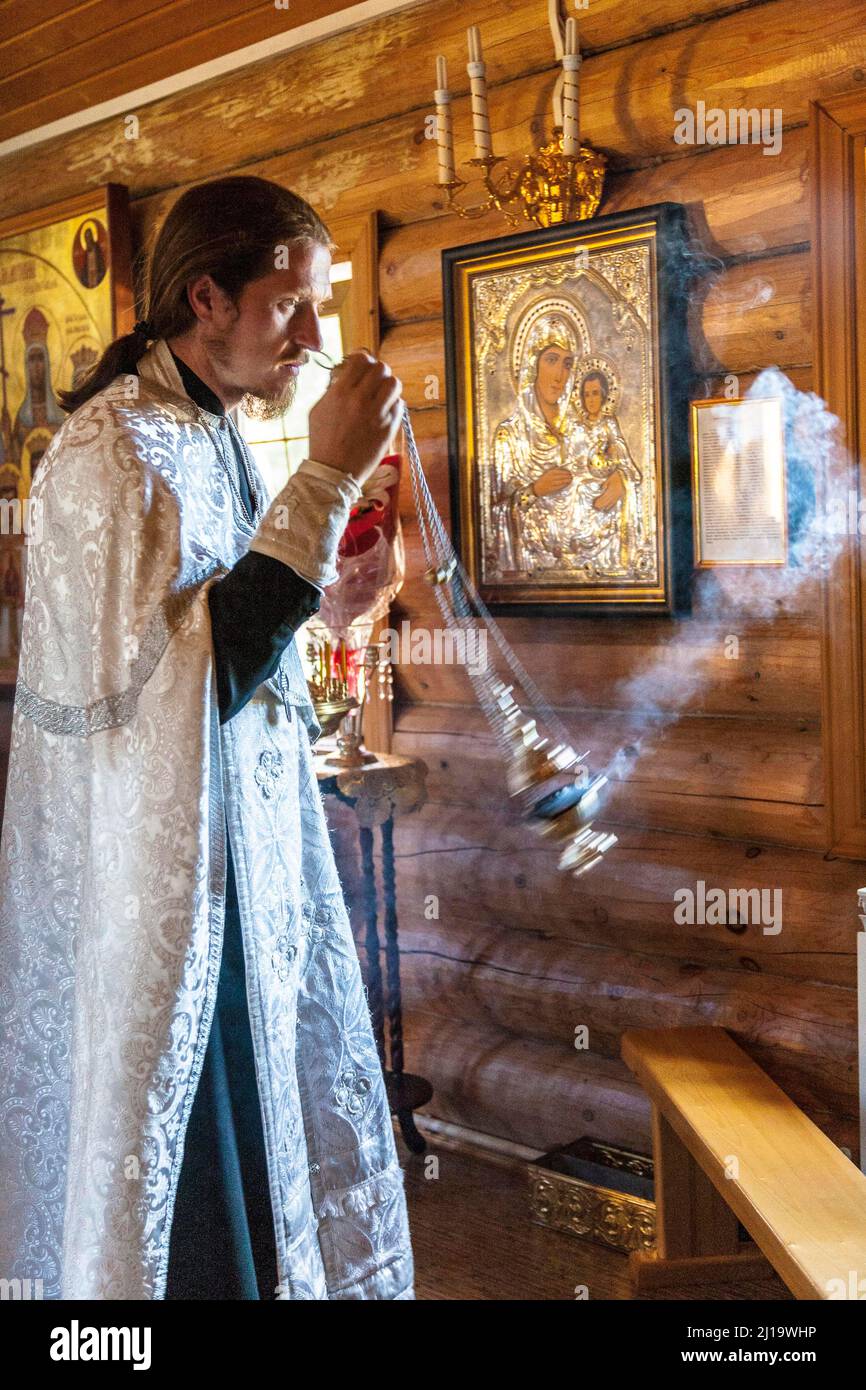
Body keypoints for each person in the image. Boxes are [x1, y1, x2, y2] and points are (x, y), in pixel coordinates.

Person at [0, 175, 415, 1301]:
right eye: (291, 305)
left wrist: (329, 600)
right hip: (164, 889)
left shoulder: (206, 427)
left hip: (242, 859)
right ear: (206, 297)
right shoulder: (110, 452)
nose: (315, 338)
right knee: (191, 1188)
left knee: (258, 1143)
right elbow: (175, 686)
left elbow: (228, 631)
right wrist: (326, 471)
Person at [489, 310, 580, 575]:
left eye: (567, 363)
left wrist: (620, 484)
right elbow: (493, 516)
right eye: (551, 360)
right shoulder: (510, 436)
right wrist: (535, 490)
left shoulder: (581, 430)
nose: (559, 375)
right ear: (533, 364)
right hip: (530, 566)